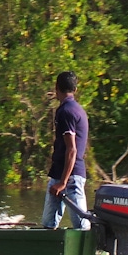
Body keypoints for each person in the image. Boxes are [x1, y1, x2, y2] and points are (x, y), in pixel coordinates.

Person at [42, 71, 91, 231]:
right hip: (60, 174)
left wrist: (63, 182)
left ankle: (93, 252)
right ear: (75, 89)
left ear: (56, 88)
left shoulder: (65, 112)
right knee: (49, 224)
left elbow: (72, 150)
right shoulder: (77, 110)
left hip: (69, 177)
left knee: (81, 225)